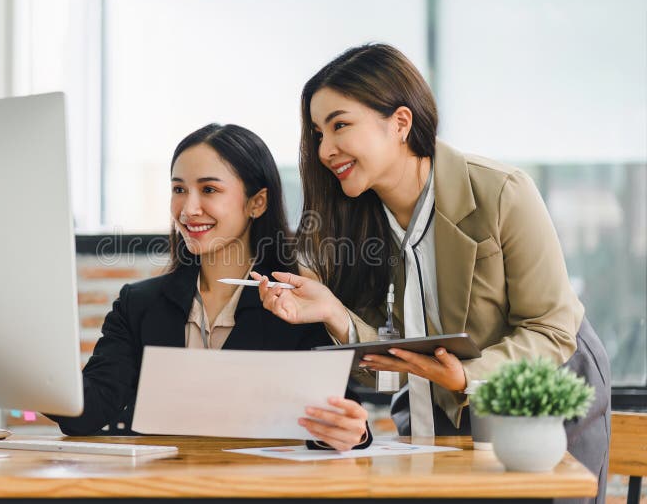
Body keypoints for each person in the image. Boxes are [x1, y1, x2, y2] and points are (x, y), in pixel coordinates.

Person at [252, 44, 610, 503]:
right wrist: (336, 315)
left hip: (542, 394)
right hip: (437, 404)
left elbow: (551, 327)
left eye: (340, 125)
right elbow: (393, 366)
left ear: (400, 122)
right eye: (318, 132)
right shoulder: (358, 222)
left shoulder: (502, 191)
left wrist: (464, 375)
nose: (324, 149)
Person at [47, 123, 371, 451]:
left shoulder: (296, 303)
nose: (188, 210)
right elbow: (86, 416)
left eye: (209, 190)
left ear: (257, 203)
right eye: (179, 190)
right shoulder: (139, 304)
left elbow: (342, 417)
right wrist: (39, 369)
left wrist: (350, 431)